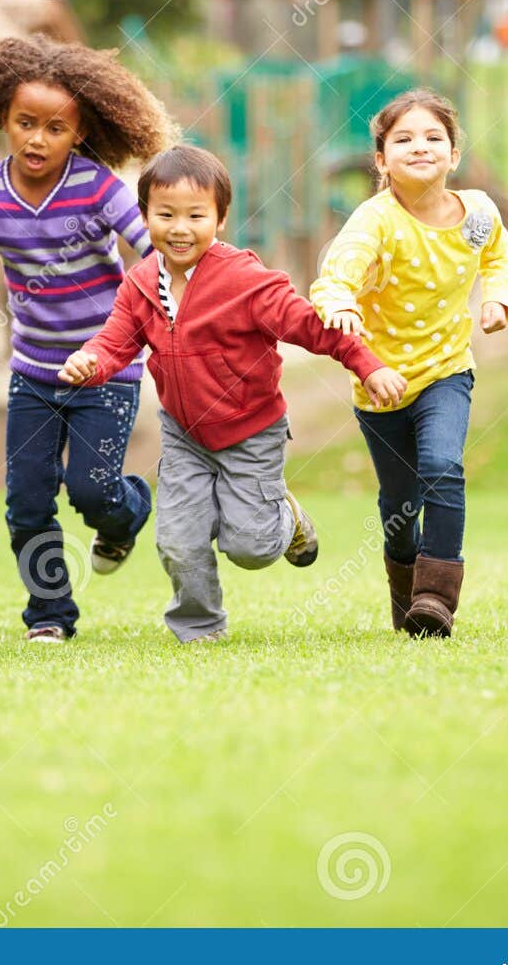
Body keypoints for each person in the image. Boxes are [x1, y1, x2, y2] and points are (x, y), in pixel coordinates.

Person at [58, 145, 405, 643]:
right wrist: (89, 361)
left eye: (196, 215)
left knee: (251, 546)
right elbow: (114, 342)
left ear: (219, 219)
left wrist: (368, 365)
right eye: (166, 215)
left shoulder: (244, 280)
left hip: (251, 431)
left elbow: (312, 327)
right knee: (178, 539)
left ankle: (284, 518)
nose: (180, 228)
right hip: (184, 434)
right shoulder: (138, 285)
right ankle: (198, 627)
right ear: (144, 217)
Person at [0, 35, 175, 644]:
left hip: (105, 369)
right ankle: (49, 616)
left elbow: (153, 247)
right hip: (34, 376)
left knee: (93, 492)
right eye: (25, 123)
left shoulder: (97, 187)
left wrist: (187, 289)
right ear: (2, 118)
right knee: (26, 504)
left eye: (54, 127)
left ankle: (128, 513)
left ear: (79, 133)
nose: (36, 139)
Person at [311, 89, 508, 637]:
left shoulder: (475, 213)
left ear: (454, 154)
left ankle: (435, 598)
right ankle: (404, 591)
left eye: (434, 138)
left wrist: (498, 296)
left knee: (444, 469)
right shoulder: (375, 221)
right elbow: (339, 271)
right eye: (403, 139)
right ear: (381, 160)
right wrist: (339, 305)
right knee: (400, 506)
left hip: (447, 371)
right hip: (380, 386)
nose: (420, 147)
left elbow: (496, 251)